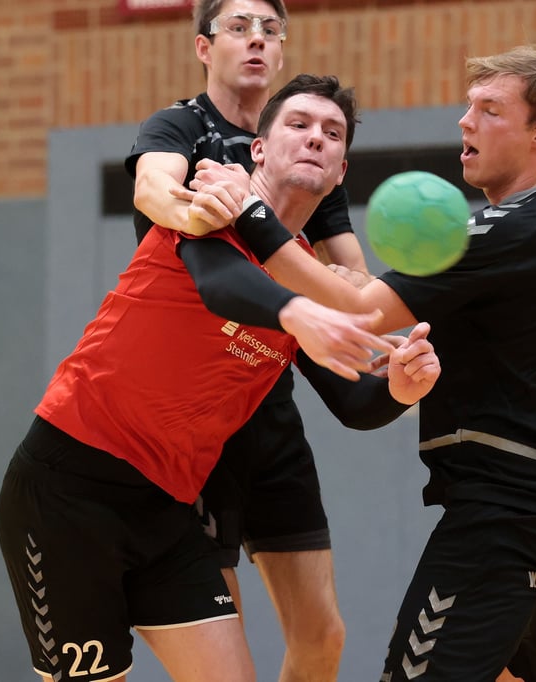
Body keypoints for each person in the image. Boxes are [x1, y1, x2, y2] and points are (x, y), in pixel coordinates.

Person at [178, 46, 536, 682]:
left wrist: (250, 212)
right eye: (468, 107)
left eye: (489, 110)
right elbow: (374, 347)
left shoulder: (506, 229)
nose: (465, 122)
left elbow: (361, 306)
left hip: (509, 506)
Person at [0, 75, 442, 682]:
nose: (316, 138)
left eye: (332, 133)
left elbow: (351, 400)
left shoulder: (308, 275)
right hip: (67, 489)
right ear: (257, 148)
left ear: (341, 171)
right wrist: (296, 312)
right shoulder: (209, 198)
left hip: (164, 511)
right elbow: (220, 285)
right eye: (299, 124)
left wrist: (400, 388)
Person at [124, 3, 369, 679]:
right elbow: (153, 189)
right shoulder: (183, 129)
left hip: (269, 397)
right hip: (193, 405)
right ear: (205, 47)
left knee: (323, 638)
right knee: (222, 660)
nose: (256, 38)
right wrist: (201, 212)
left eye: (270, 28)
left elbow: (354, 281)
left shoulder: (308, 155)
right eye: (238, 26)